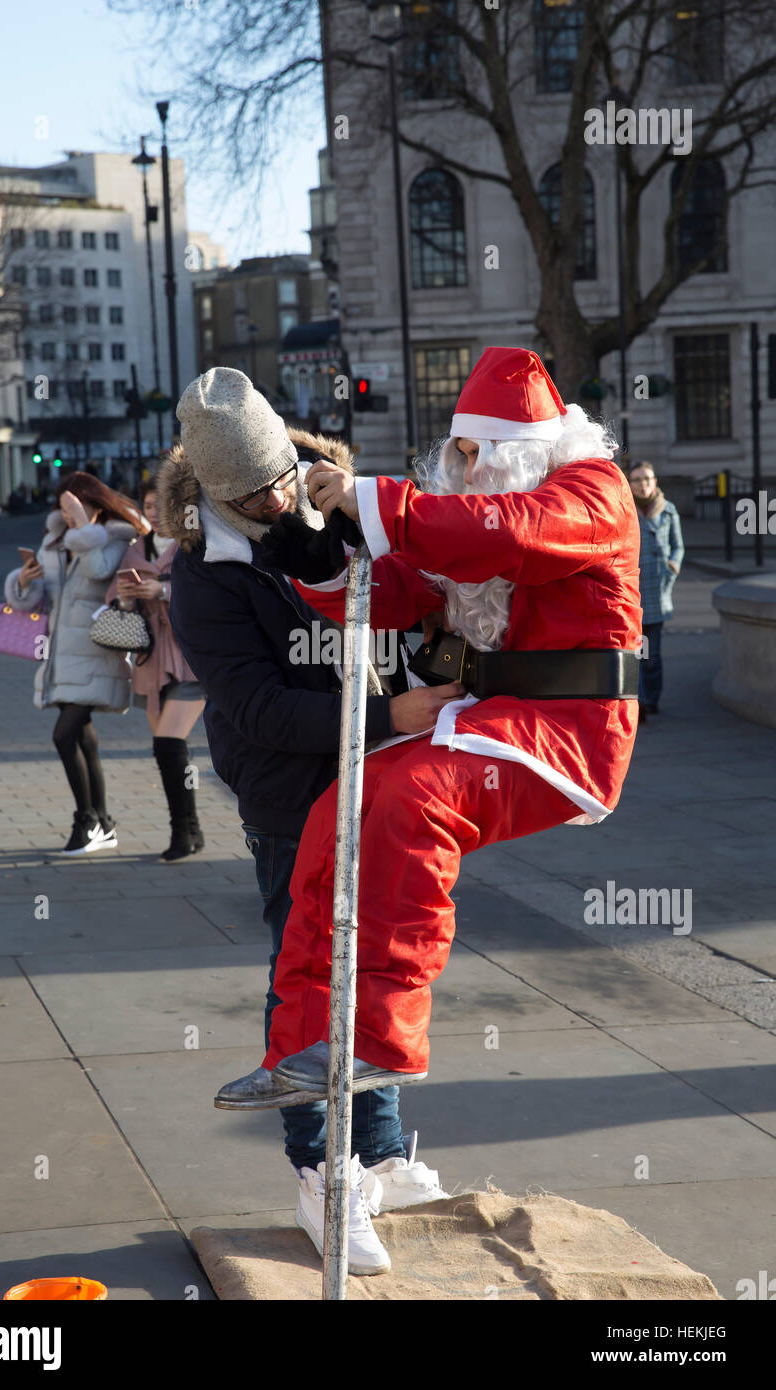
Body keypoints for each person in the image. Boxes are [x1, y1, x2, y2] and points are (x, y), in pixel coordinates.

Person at [216, 346, 642, 1111]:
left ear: (524, 449)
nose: (467, 467)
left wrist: (374, 501)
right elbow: (401, 591)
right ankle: (299, 1051)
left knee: (415, 802)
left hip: (571, 729)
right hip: (491, 718)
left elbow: (508, 532)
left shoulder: (591, 489)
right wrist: (317, 556)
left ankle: (384, 1039)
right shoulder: (475, 517)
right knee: (336, 817)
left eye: (479, 452)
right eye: (460, 453)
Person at [159, 367, 448, 1276]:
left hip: (391, 777)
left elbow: (416, 592)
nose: (276, 501)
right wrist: (388, 717)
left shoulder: (335, 504)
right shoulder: (204, 575)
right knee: (312, 972)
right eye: (251, 495)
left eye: (281, 476)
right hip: (294, 798)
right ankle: (320, 1170)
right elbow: (252, 708)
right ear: (215, 493)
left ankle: (384, 1152)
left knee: (386, 960)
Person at [4, 471, 149, 855]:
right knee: (82, 736)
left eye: (76, 508)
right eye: (64, 509)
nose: (68, 516)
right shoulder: (55, 542)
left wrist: (83, 529)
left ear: (95, 506)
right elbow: (39, 598)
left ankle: (86, 821)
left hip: (97, 650)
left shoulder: (118, 539)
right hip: (62, 654)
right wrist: (24, 581)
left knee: (64, 734)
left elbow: (99, 571)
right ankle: (102, 822)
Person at [106, 478, 206, 861]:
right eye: (148, 507)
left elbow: (207, 595)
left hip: (188, 659)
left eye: (160, 506)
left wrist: (162, 592)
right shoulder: (135, 550)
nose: (154, 514)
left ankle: (182, 834)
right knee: (170, 751)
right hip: (150, 663)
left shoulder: (192, 547)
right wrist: (129, 600)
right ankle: (189, 828)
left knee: (167, 744)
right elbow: (114, 598)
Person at [627, 460, 684, 719]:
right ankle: (639, 702)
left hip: (658, 591)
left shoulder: (669, 510)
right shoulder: (625, 510)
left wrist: (673, 566)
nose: (643, 484)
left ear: (655, 481)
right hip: (632, 592)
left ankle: (651, 698)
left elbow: (678, 546)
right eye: (637, 479)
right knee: (636, 652)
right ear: (630, 484)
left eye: (647, 478)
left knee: (652, 654)